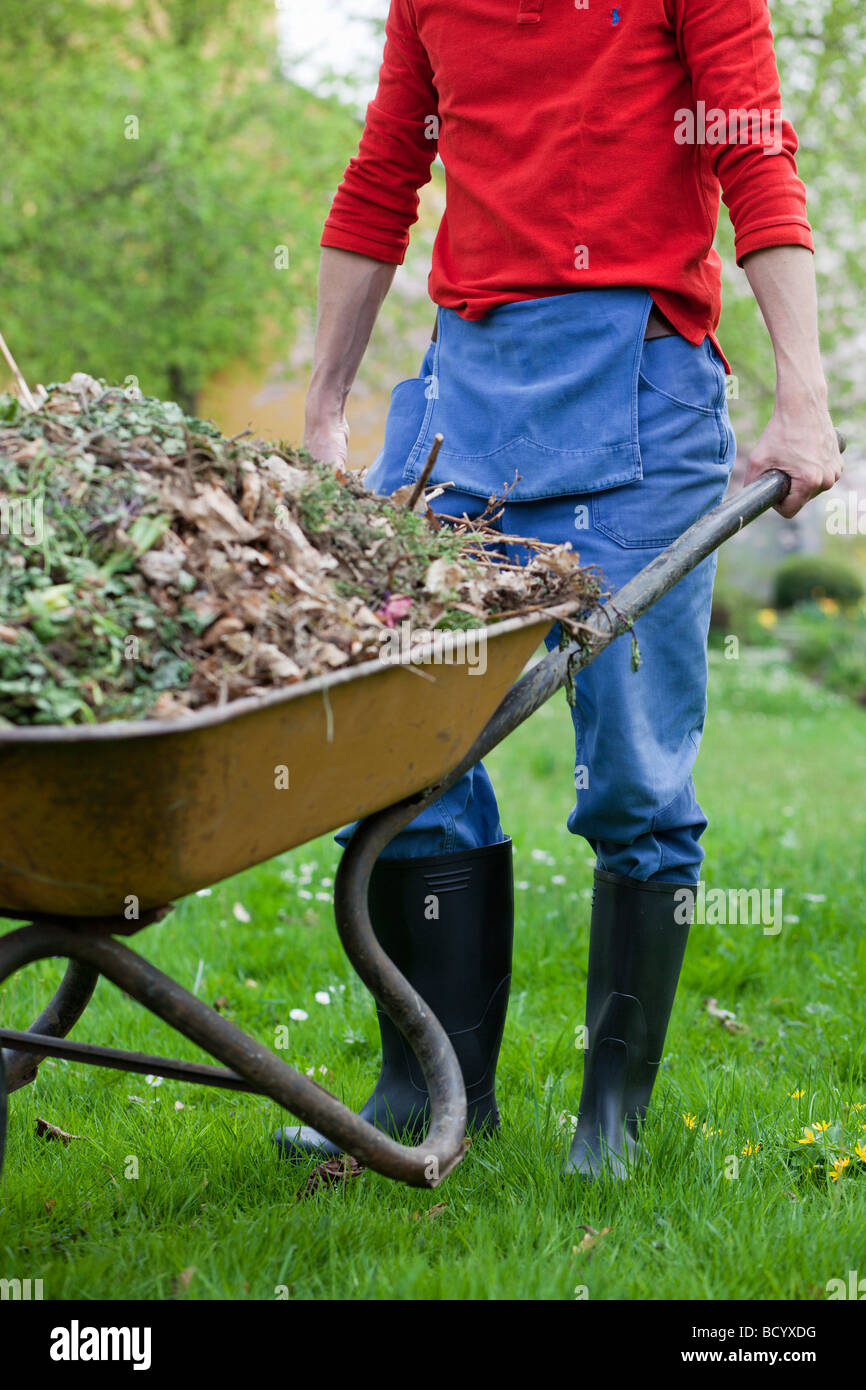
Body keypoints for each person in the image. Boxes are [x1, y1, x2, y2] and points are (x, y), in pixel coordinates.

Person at [275, 0, 842, 1178]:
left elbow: (752, 149)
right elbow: (384, 167)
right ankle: (434, 1084)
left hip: (638, 391)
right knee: (401, 742)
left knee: (634, 775)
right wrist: (326, 407)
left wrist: (806, 397)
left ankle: (609, 1124)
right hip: (461, 391)